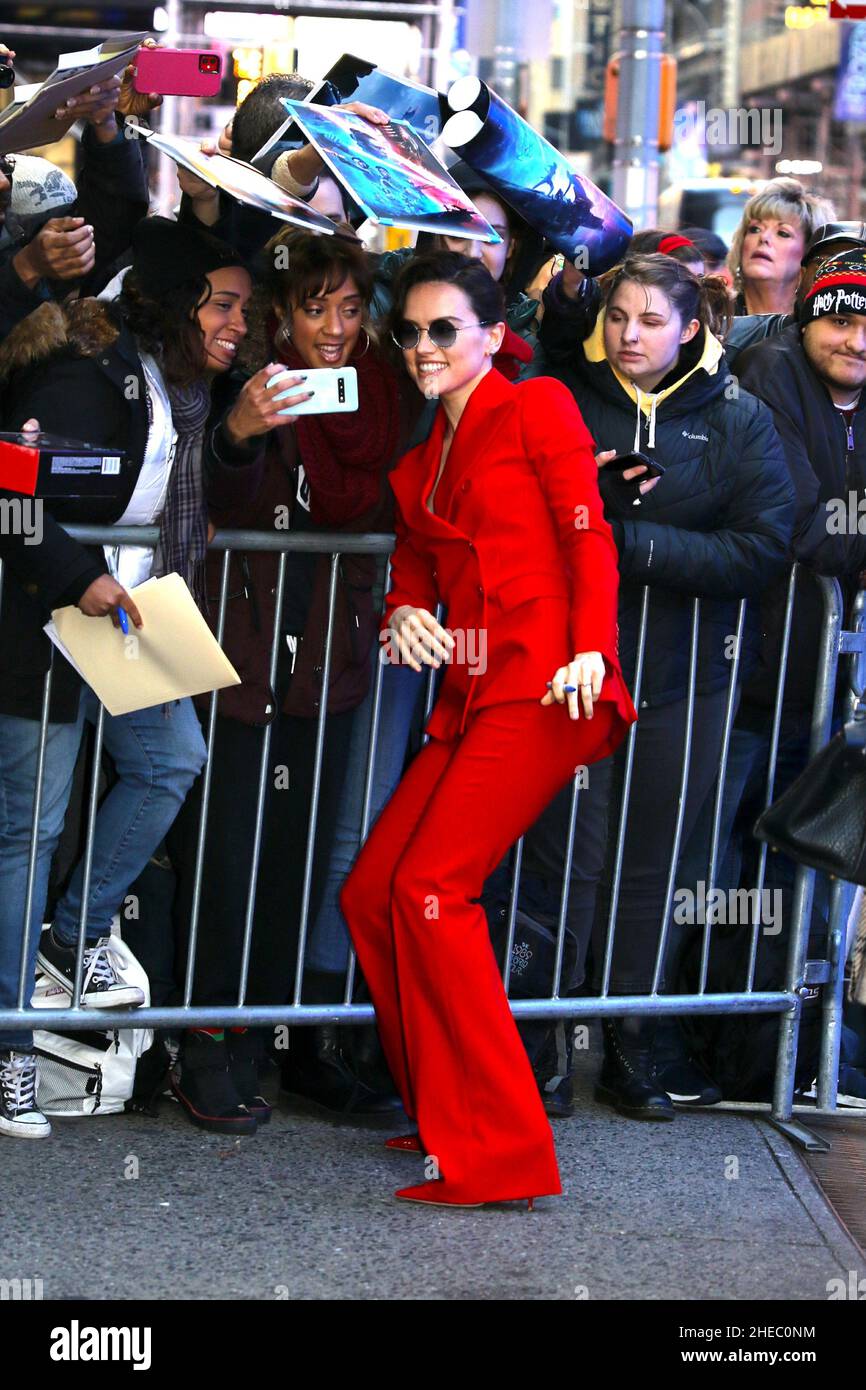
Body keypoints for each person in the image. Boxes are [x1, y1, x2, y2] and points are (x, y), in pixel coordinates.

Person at [339, 251, 636, 1208]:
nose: (424, 348)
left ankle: (501, 1150)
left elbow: (586, 530)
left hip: (548, 684)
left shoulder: (537, 405)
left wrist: (591, 648)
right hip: (467, 699)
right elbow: (420, 574)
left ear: (493, 336)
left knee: (431, 888)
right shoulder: (420, 463)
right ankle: (444, 1113)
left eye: (444, 330)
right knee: (374, 892)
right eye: (412, 332)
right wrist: (400, 613)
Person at [0, 216, 249, 1139]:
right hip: (44, 617)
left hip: (123, 615)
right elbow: (9, 500)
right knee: (30, 832)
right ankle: (11, 1053)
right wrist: (84, 576)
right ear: (180, 301)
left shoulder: (173, 382)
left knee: (172, 758)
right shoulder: (80, 371)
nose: (237, 322)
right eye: (223, 304)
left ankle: (75, 934)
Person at [531, 252, 795, 1118]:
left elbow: (765, 545)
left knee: (657, 862)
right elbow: (515, 512)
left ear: (691, 330)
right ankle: (543, 1036)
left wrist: (636, 547)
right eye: (618, 318)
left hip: (690, 676)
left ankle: (633, 1039)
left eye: (650, 321)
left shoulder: (739, 420)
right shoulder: (565, 397)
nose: (630, 334)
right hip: (572, 672)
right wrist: (591, 519)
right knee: (565, 856)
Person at [167, 226, 405, 1132]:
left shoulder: (385, 391)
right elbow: (211, 500)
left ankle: (265, 1041)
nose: (335, 328)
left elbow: (385, 500)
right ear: (283, 314)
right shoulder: (246, 380)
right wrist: (240, 432)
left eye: (351, 308)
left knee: (298, 859)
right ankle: (203, 1042)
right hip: (239, 659)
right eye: (316, 308)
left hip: (329, 664)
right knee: (227, 856)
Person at [676, 249, 866, 1099]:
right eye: (838, 316)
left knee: (792, 871)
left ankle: (765, 1051)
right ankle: (668, 1038)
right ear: (805, 318)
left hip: (816, 688)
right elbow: (805, 526)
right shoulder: (771, 370)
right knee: (705, 867)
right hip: (739, 672)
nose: (854, 336)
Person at [725, 220, 866, 368]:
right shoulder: (732, 337)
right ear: (801, 276)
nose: (842, 276)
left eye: (860, 267)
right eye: (830, 263)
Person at [726, 177, 835, 316]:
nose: (764, 238)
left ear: (809, 253)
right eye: (755, 229)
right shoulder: (711, 317)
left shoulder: (821, 326)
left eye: (783, 233)